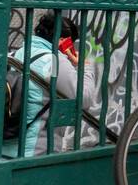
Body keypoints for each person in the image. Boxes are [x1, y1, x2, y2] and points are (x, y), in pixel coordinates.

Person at [7, 13, 96, 158]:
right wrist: (84, 67)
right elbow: (83, 99)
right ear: (62, 41)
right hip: (36, 152)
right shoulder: (53, 62)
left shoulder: (15, 55)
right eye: (70, 44)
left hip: (6, 148)